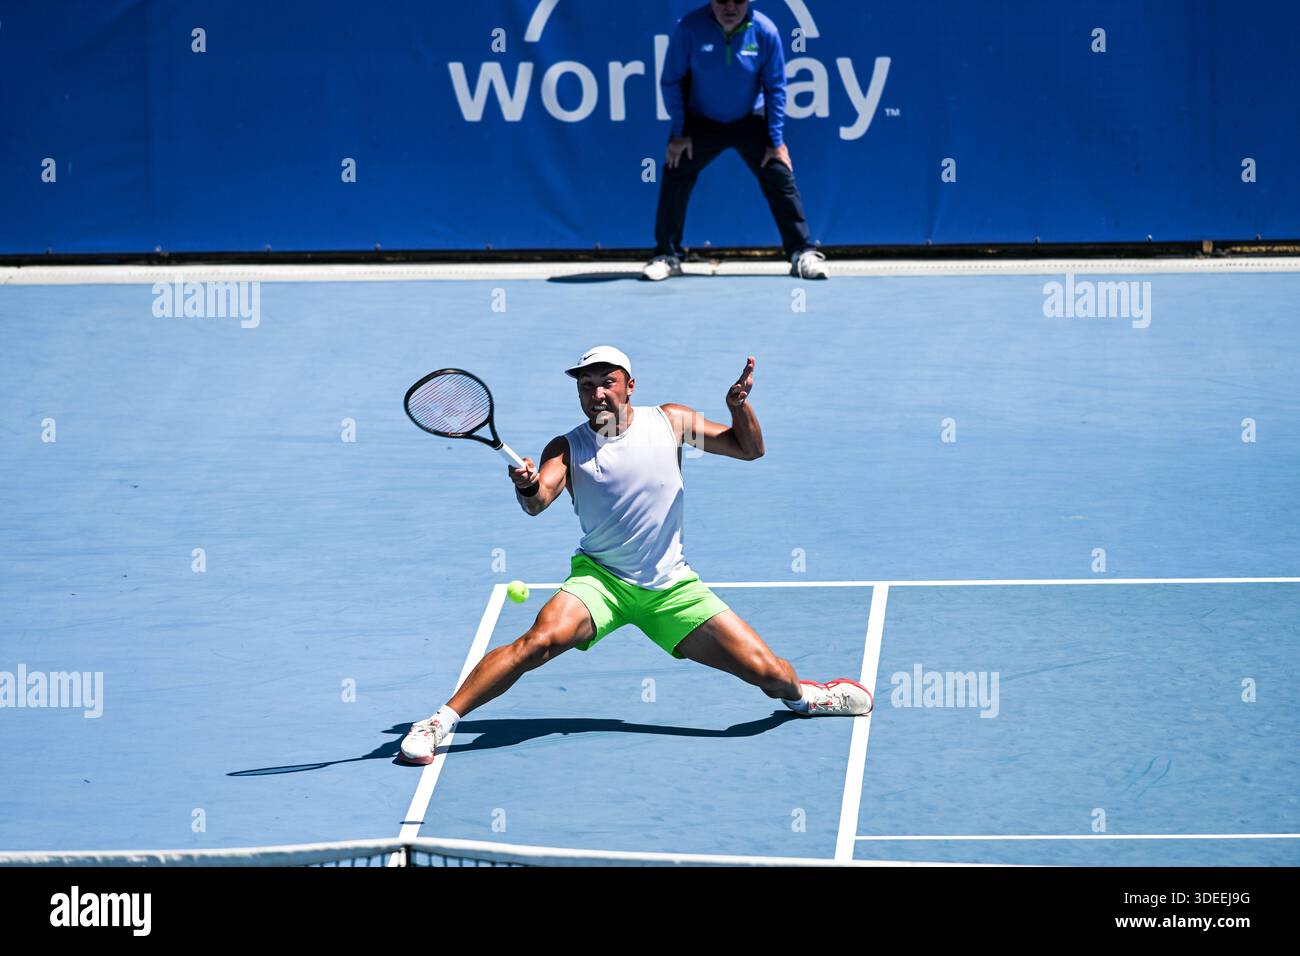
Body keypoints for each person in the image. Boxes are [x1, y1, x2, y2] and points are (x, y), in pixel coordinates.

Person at [399, 345, 871, 765]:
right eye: (587, 386)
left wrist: (738, 408)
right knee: (539, 641)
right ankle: (438, 721)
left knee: (770, 673)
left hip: (672, 587)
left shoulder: (670, 421)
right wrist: (526, 485)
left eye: (607, 382)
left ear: (629, 385)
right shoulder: (567, 447)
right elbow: (539, 501)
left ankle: (806, 697)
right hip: (601, 582)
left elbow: (749, 450)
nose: (597, 393)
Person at [642, 0, 828, 282]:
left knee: (779, 173)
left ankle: (801, 252)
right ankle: (667, 255)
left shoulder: (765, 32)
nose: (730, 7)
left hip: (750, 119)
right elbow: (672, 81)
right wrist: (680, 134)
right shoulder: (689, 29)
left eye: (738, 0)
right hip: (700, 120)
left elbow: (776, 88)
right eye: (722, 0)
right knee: (675, 168)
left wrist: (775, 141)